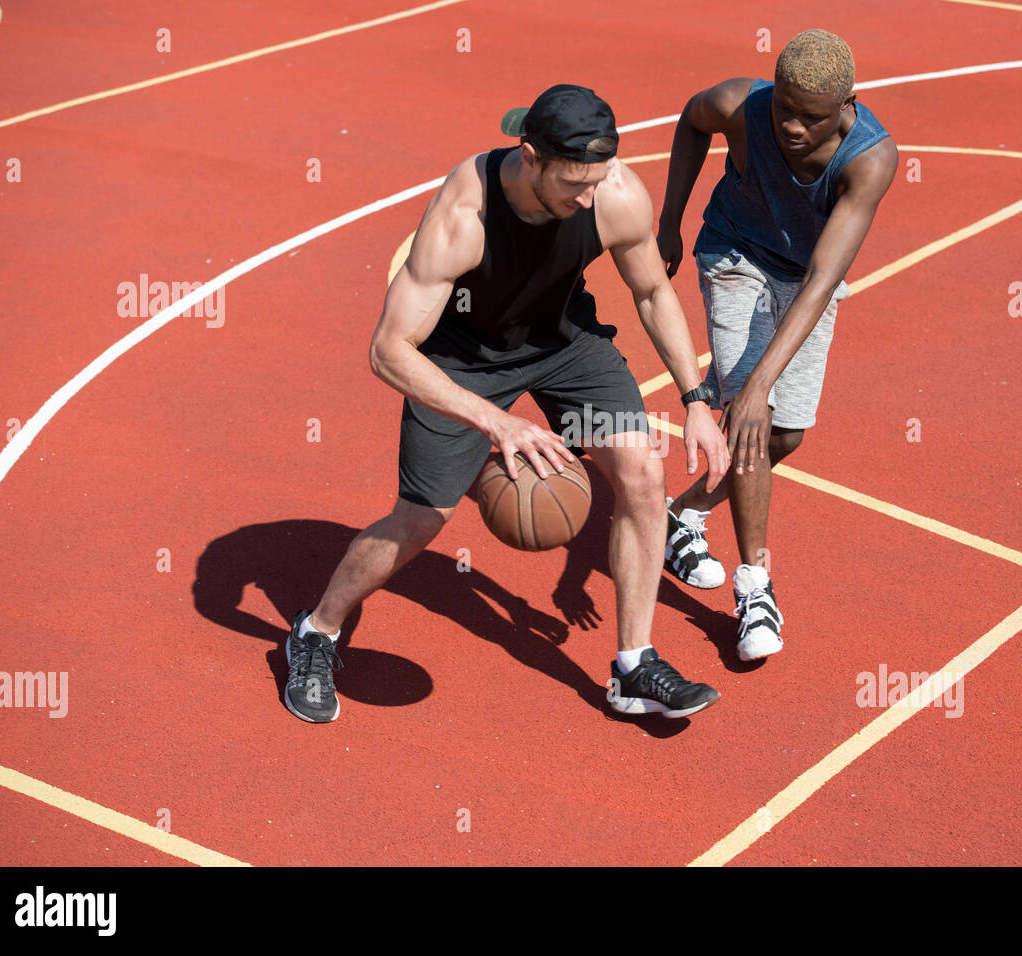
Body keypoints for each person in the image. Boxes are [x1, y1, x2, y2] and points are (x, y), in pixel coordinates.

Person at [283, 84, 730, 723]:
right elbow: (388, 351)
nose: (588, 197)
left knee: (642, 473)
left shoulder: (614, 195)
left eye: (597, 181)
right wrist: (494, 421)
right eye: (574, 183)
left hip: (562, 341)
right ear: (530, 158)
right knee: (420, 522)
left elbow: (654, 291)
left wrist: (695, 398)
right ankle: (316, 632)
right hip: (462, 360)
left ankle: (634, 666)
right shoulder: (465, 217)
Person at [657, 30, 897, 661]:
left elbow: (823, 278)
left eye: (809, 116)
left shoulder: (870, 159)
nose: (791, 124)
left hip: (805, 277)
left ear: (847, 105)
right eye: (783, 107)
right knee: (748, 428)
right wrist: (669, 223)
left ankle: (674, 518)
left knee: (783, 432)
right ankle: (755, 588)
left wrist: (762, 388)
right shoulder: (743, 103)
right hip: (732, 253)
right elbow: (689, 120)